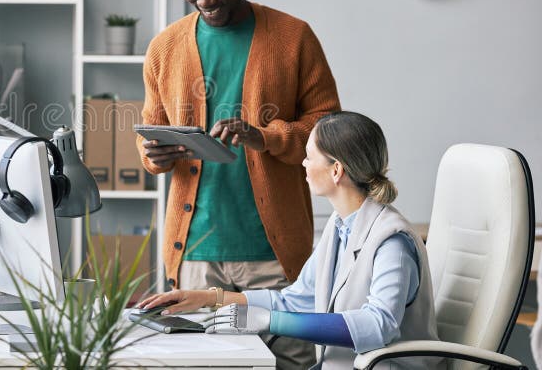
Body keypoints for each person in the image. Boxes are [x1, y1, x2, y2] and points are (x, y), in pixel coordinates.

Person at [136, 0, 340, 368]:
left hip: (272, 255)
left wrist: (264, 137)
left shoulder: (293, 38)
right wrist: (155, 154)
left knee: (289, 363)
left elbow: (329, 131)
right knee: (197, 364)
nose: (204, 0)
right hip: (194, 254)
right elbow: (151, 130)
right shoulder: (164, 48)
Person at [139, 111, 441, 370]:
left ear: (336, 170)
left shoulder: (392, 243)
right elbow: (294, 299)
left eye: (309, 157)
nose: (303, 165)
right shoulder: (340, 227)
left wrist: (271, 321)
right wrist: (205, 298)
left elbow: (378, 326)